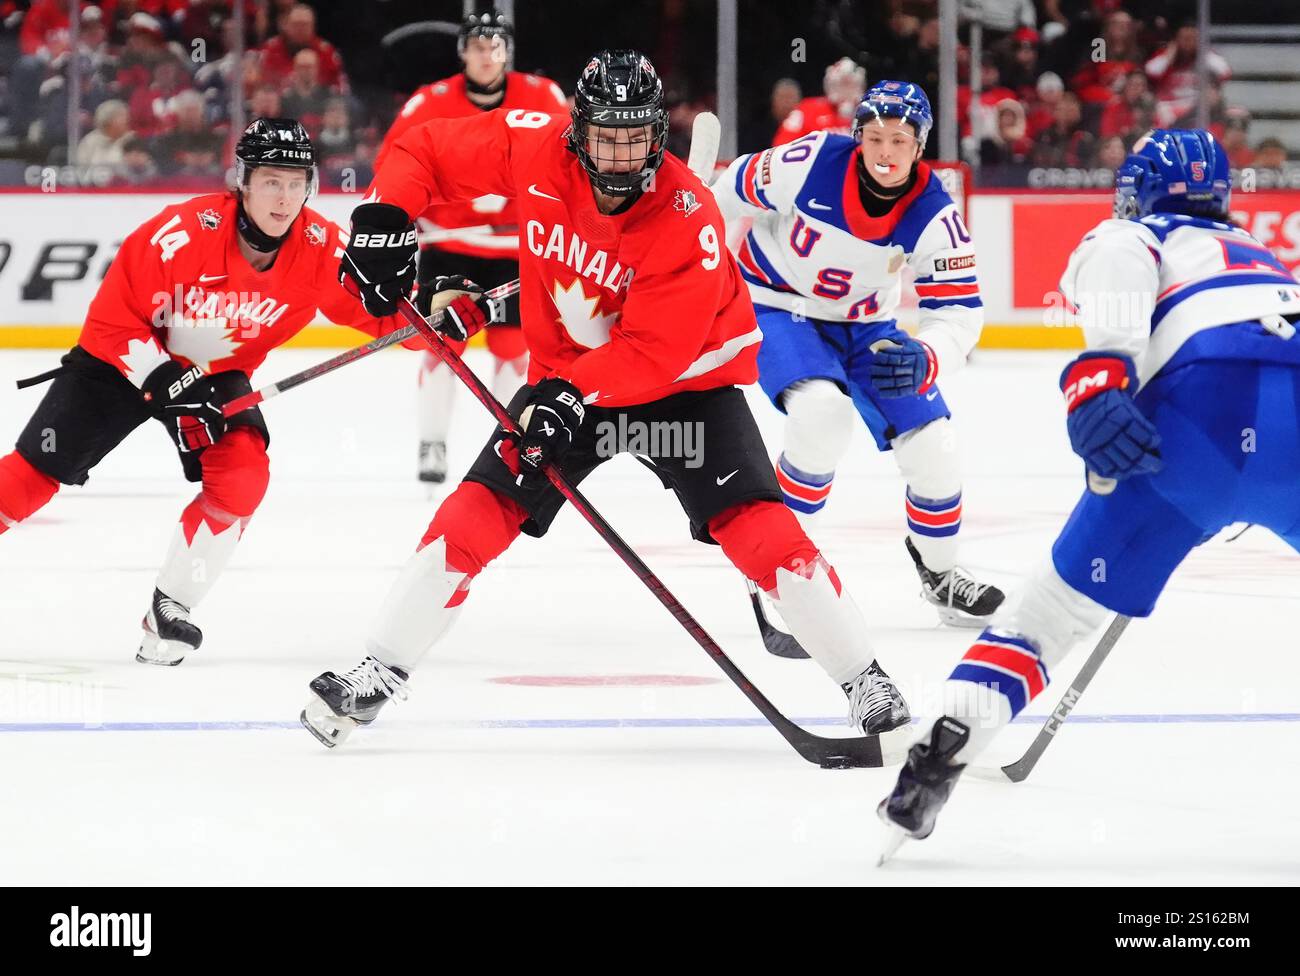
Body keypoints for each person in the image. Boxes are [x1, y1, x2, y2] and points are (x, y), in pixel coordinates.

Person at [300, 49, 913, 749]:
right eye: (606, 133)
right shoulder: (535, 147)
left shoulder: (687, 218)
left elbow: (655, 349)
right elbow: (426, 148)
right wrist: (387, 211)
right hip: (571, 380)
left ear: (659, 134)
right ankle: (378, 669)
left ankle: (864, 677)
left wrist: (568, 394)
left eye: (636, 135)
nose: (621, 154)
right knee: (480, 506)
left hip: (686, 392)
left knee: (754, 524)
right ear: (576, 131)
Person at [880, 129, 1300, 848]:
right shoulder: (1267, 257)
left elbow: (1116, 314)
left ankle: (939, 755)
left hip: (1195, 428)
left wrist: (1097, 386)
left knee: (1048, 614)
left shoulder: (1133, 234)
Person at [0, 119, 448, 666]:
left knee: (242, 474)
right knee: (30, 479)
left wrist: (437, 312)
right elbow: (114, 319)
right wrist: (163, 377)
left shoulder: (322, 250)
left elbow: (384, 319)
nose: (285, 198)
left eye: (296, 182)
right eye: (271, 182)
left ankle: (171, 607)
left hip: (213, 378)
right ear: (243, 180)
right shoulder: (183, 234)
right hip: (122, 366)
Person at [712, 81, 1005, 627]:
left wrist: (928, 356)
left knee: (935, 447)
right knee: (821, 417)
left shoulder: (935, 213)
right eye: (874, 138)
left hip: (867, 325)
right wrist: (705, 259)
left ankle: (939, 575)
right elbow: (730, 188)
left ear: (919, 146)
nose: (885, 153)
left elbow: (961, 312)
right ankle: (780, 572)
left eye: (899, 140)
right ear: (858, 138)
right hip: (777, 306)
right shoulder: (812, 159)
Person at [374, 11, 567, 485]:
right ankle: (433, 443)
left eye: (495, 45)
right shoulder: (430, 102)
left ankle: (503, 441)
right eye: (478, 46)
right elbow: (393, 165)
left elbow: (570, 163)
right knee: (442, 348)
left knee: (513, 350)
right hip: (451, 250)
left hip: (516, 254)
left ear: (507, 52)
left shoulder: (544, 96)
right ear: (463, 52)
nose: (487, 54)